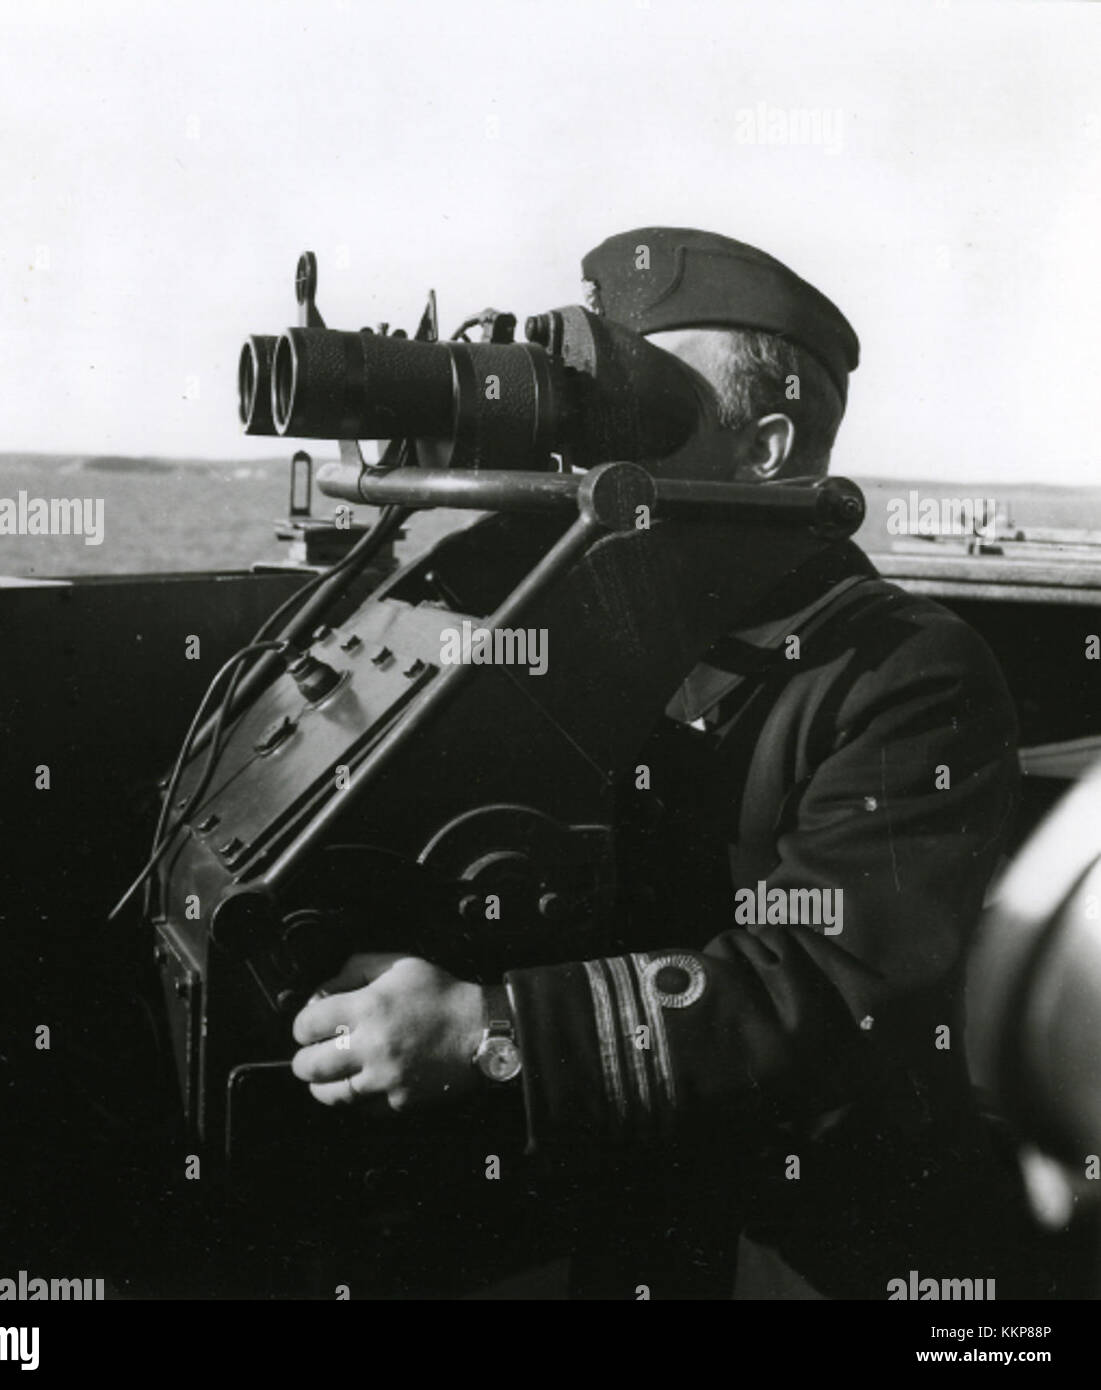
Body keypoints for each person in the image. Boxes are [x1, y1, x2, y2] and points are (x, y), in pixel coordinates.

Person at [289, 227, 1038, 1298]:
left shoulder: (906, 671)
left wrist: (492, 1030)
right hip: (609, 1184)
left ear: (765, 449)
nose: (592, 427)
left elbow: (822, 979)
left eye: (634, 397)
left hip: (798, 1230)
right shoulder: (586, 603)